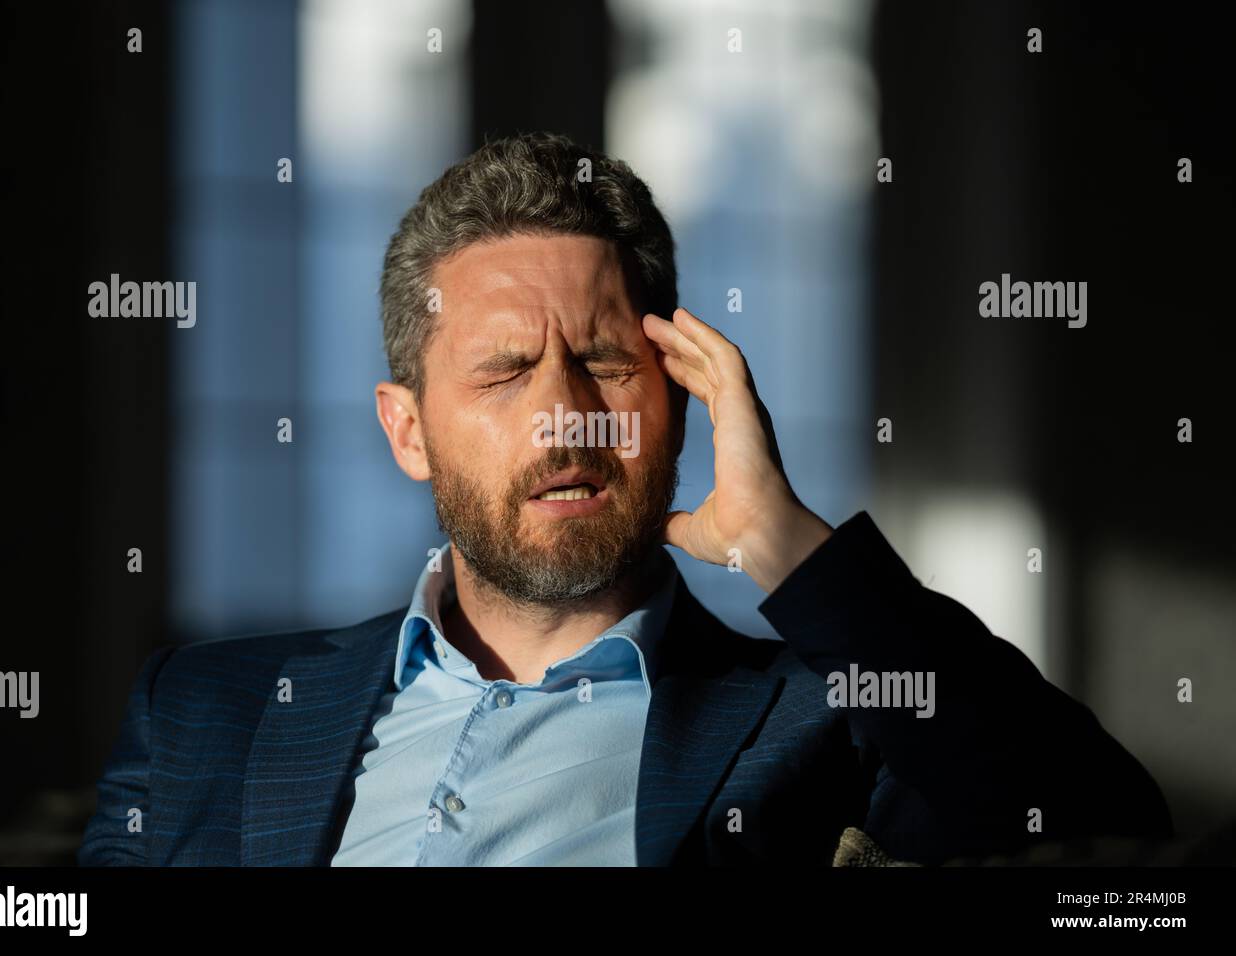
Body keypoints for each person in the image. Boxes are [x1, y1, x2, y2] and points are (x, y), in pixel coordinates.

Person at [78, 132, 1171, 867]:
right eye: (504, 371)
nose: (565, 414)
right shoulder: (205, 706)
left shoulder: (827, 722)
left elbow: (1106, 841)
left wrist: (780, 542)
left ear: (682, 402)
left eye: (603, 362)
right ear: (406, 429)